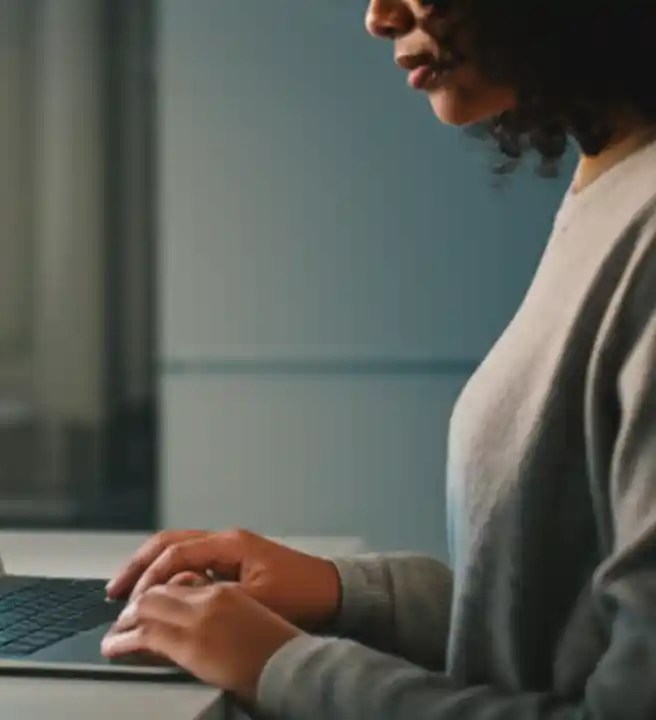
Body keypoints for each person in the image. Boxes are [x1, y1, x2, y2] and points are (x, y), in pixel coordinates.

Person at [100, 1, 656, 717]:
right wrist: (352, 595)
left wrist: (284, 666)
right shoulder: (613, 183)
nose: (379, 16)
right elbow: (565, 625)